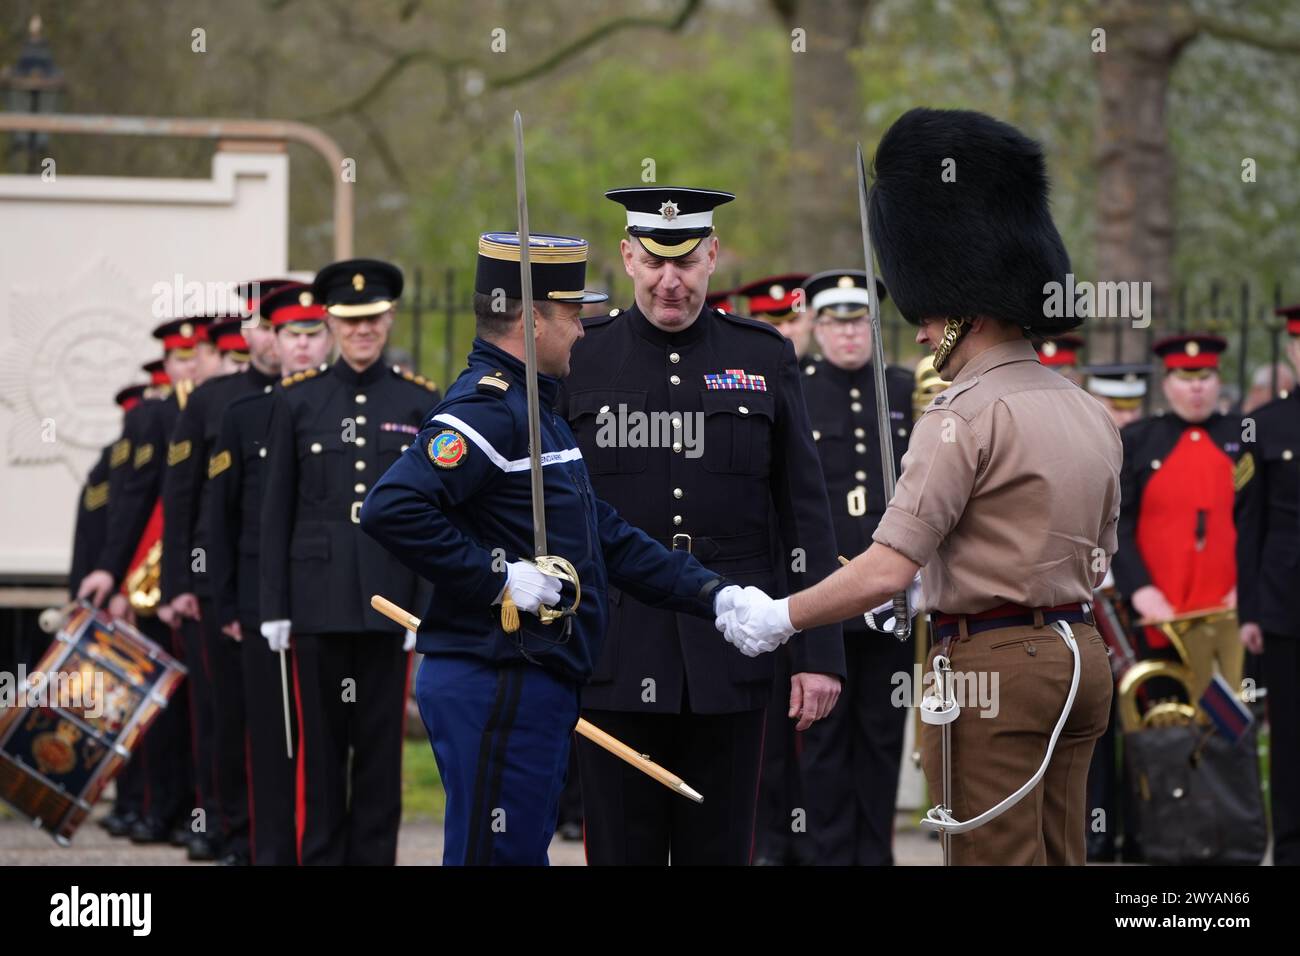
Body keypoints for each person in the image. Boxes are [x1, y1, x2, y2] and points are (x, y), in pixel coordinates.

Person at [714, 108, 1121, 866]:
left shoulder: (958, 412)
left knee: (992, 856)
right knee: (1061, 854)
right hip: (1082, 653)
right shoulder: (1089, 411)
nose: (923, 332)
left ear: (964, 307)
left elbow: (888, 564)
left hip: (992, 666)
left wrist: (782, 616)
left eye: (931, 315)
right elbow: (1097, 553)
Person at [361, 231, 739, 864]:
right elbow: (391, 507)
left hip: (530, 675)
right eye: (570, 314)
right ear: (532, 318)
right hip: (498, 674)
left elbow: (602, 536)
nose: (583, 331)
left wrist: (713, 595)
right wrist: (497, 578)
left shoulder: (539, 408)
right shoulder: (491, 410)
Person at [560, 186, 845, 865]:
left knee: (719, 851)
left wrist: (817, 653)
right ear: (627, 257)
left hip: (732, 650)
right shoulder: (581, 356)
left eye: (686, 263)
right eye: (654, 263)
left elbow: (803, 514)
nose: (670, 280)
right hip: (615, 648)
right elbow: (550, 506)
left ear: (712, 256)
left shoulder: (764, 355)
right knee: (620, 851)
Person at [258, 259, 438, 865]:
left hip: (389, 603)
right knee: (322, 755)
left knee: (381, 753)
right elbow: (274, 510)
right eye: (349, 321)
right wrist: (274, 606)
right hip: (315, 603)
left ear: (388, 320)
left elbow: (433, 514)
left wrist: (425, 608)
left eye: (373, 320)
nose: (362, 331)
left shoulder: (418, 403)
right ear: (332, 323)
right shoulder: (298, 401)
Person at [159, 283, 293, 864]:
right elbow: (182, 497)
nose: (269, 337)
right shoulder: (212, 401)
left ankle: (274, 830)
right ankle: (227, 824)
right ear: (248, 334)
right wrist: (180, 583)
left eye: (279, 327)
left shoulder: (308, 396)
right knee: (224, 713)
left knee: (281, 724)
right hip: (221, 581)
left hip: (288, 585)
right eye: (261, 326)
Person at [210, 281, 335, 865]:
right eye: (293, 336)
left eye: (315, 335)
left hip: (326, 596)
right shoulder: (243, 414)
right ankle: (271, 852)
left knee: (329, 740)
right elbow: (222, 518)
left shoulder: (340, 404)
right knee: (272, 734)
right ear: (275, 342)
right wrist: (228, 603)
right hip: (264, 600)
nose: (305, 348)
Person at [796, 269, 914, 865]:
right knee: (823, 743)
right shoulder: (796, 389)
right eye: (836, 322)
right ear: (816, 327)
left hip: (890, 602)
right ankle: (829, 857)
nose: (849, 334)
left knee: (883, 738)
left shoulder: (905, 390)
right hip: (824, 596)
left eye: (859, 321)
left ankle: (876, 858)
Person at [1112, 333, 1245, 701]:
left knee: (1227, 723)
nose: (1196, 389)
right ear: (1168, 384)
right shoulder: (1138, 440)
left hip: (1231, 609)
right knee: (1165, 730)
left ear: (1218, 381)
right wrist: (1140, 589)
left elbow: (1256, 518)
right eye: (1185, 379)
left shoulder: (1244, 436)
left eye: (1204, 378)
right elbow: (1118, 523)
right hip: (1160, 611)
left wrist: (1247, 585)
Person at [1235, 303, 1300, 866]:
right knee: (1289, 741)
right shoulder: (1266, 426)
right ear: (1291, 354)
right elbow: (1248, 523)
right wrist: (1249, 611)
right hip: (1286, 605)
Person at [734, 274, 813, 358]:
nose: (786, 331)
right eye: (775, 323)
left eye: (793, 320)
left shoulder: (827, 369)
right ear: (753, 325)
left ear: (810, 317)